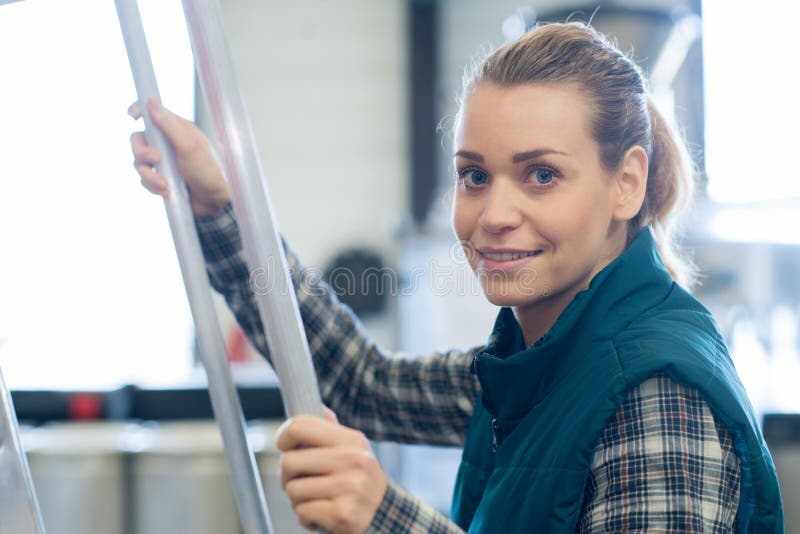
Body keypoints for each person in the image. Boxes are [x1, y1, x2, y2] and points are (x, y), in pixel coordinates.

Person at [129, 22, 782, 533]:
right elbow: (366, 384)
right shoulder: (539, 364)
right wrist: (222, 208)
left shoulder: (656, 394)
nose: (494, 215)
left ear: (627, 184)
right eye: (475, 176)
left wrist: (384, 516)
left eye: (542, 175)